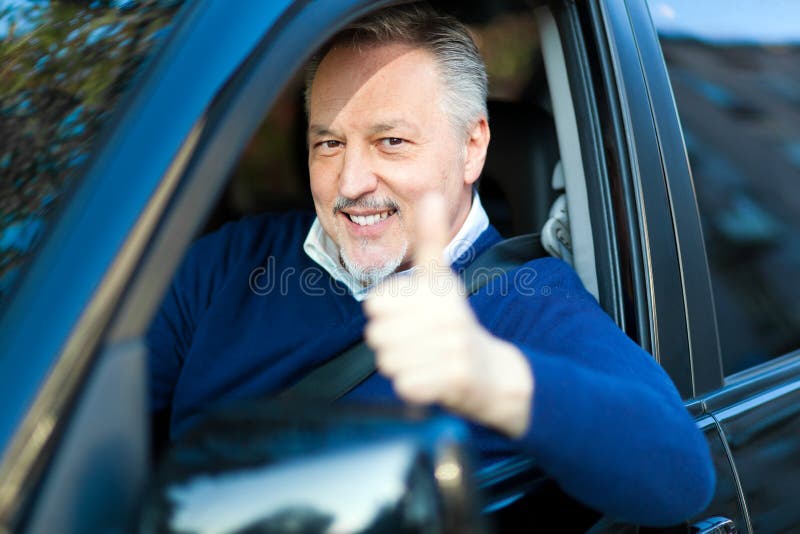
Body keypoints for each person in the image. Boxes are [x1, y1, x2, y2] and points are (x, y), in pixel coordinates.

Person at [147, 2, 715, 527]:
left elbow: (682, 478)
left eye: (390, 141)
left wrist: (486, 375)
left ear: (472, 148)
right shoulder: (230, 262)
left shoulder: (532, 303)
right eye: (329, 144)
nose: (351, 182)